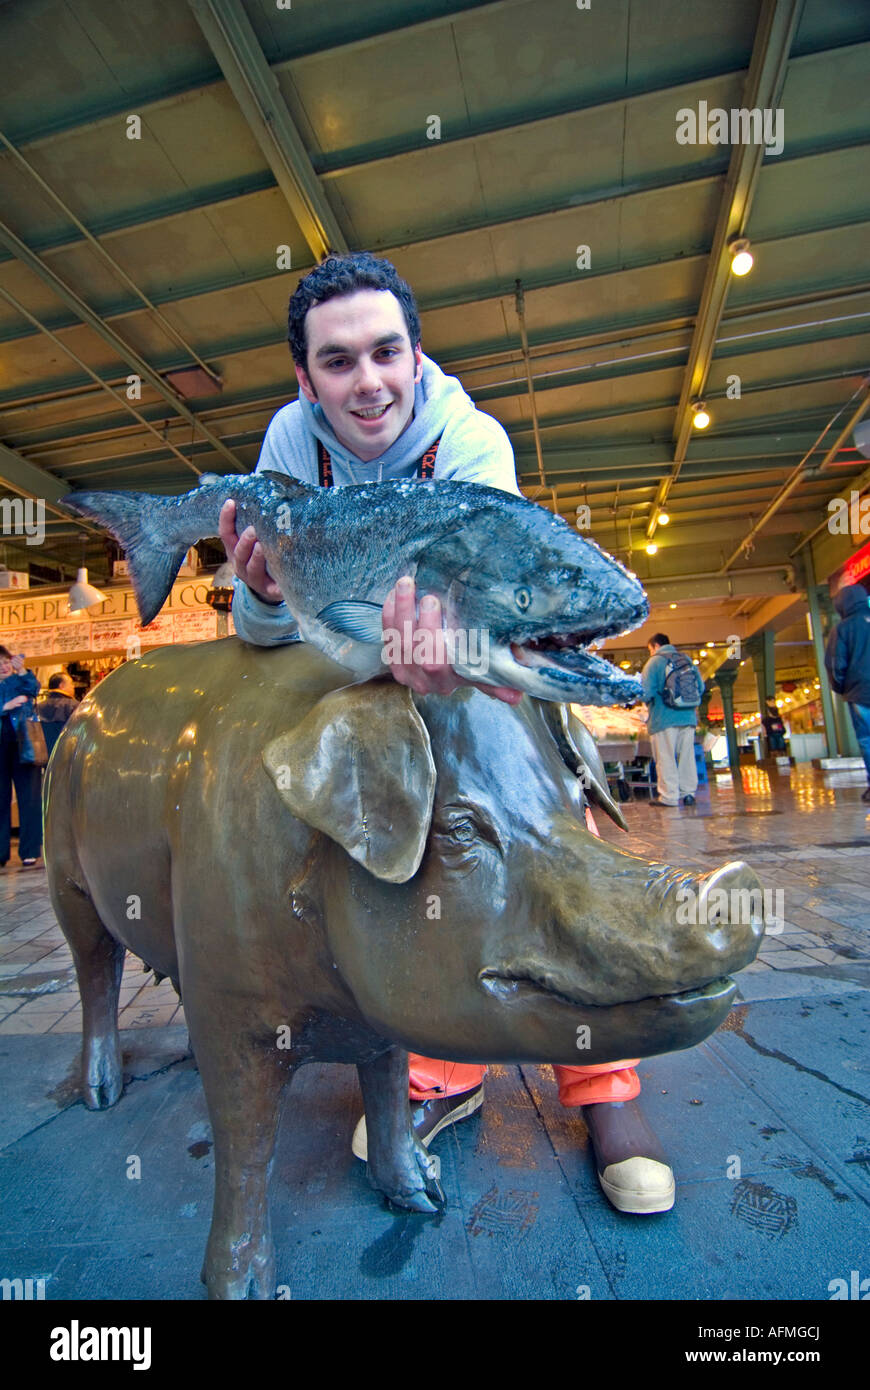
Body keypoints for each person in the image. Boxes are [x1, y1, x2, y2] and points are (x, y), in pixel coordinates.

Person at [220, 251, 674, 1214]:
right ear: (305, 379)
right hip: (360, 676)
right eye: (337, 362)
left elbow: (505, 629)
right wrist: (262, 590)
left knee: (536, 813)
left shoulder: (472, 443)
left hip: (488, 678)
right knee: (404, 854)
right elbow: (263, 631)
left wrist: (453, 655)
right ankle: (441, 1061)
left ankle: (603, 1079)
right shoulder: (286, 446)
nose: (368, 381)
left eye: (387, 352)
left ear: (418, 357)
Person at [642, 633, 704, 808]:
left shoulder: (654, 662)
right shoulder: (686, 660)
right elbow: (701, 686)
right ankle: (689, 794)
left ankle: (669, 797)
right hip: (688, 717)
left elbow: (647, 692)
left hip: (664, 718)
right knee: (687, 756)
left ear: (654, 646)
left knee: (666, 757)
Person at [824, 582, 870, 802]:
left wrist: (841, 687)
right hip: (859, 690)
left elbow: (835, 664)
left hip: (860, 693)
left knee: (868, 740)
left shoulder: (842, 629)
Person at [0, 646, 43, 868]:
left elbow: (34, 688)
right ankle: (1, 853)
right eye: (0, 664)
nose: (4, 666)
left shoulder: (19, 680)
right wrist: (5, 706)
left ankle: (30, 850)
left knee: (30, 798)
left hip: (24, 744)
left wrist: (24, 671)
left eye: (6, 662)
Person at [38, 672, 79, 758]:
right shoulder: (74, 706)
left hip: (44, 754)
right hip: (67, 754)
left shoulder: (39, 707)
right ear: (62, 686)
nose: (73, 687)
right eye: (71, 683)